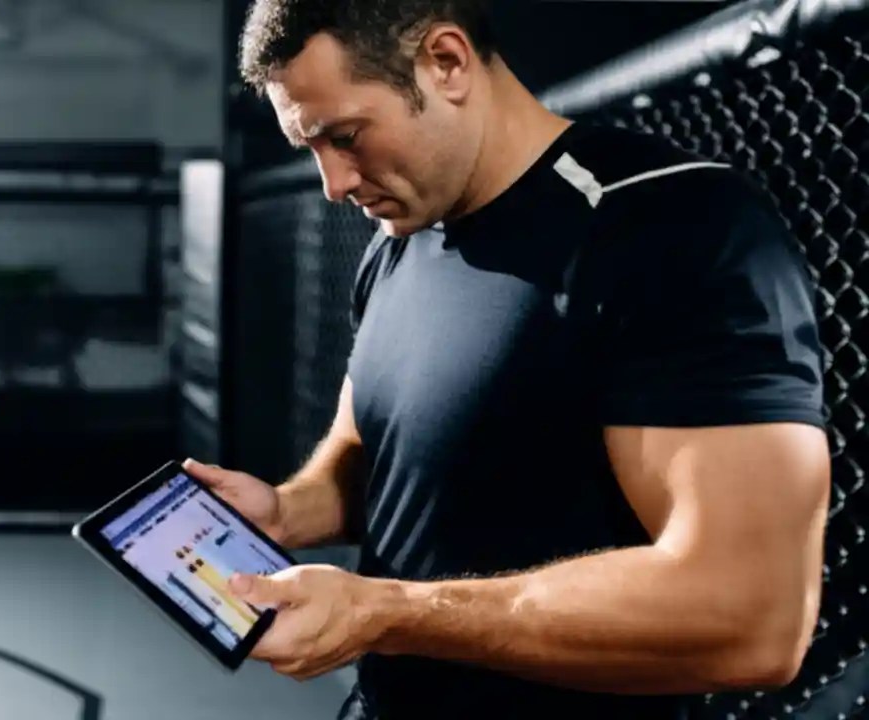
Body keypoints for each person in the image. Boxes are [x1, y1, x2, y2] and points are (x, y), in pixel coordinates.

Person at [180, 1, 832, 718]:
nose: (333, 184)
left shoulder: (675, 227)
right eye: (311, 148)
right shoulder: (399, 239)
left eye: (346, 136)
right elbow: (378, 452)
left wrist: (390, 613)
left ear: (447, 62)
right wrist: (285, 512)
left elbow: (751, 617)